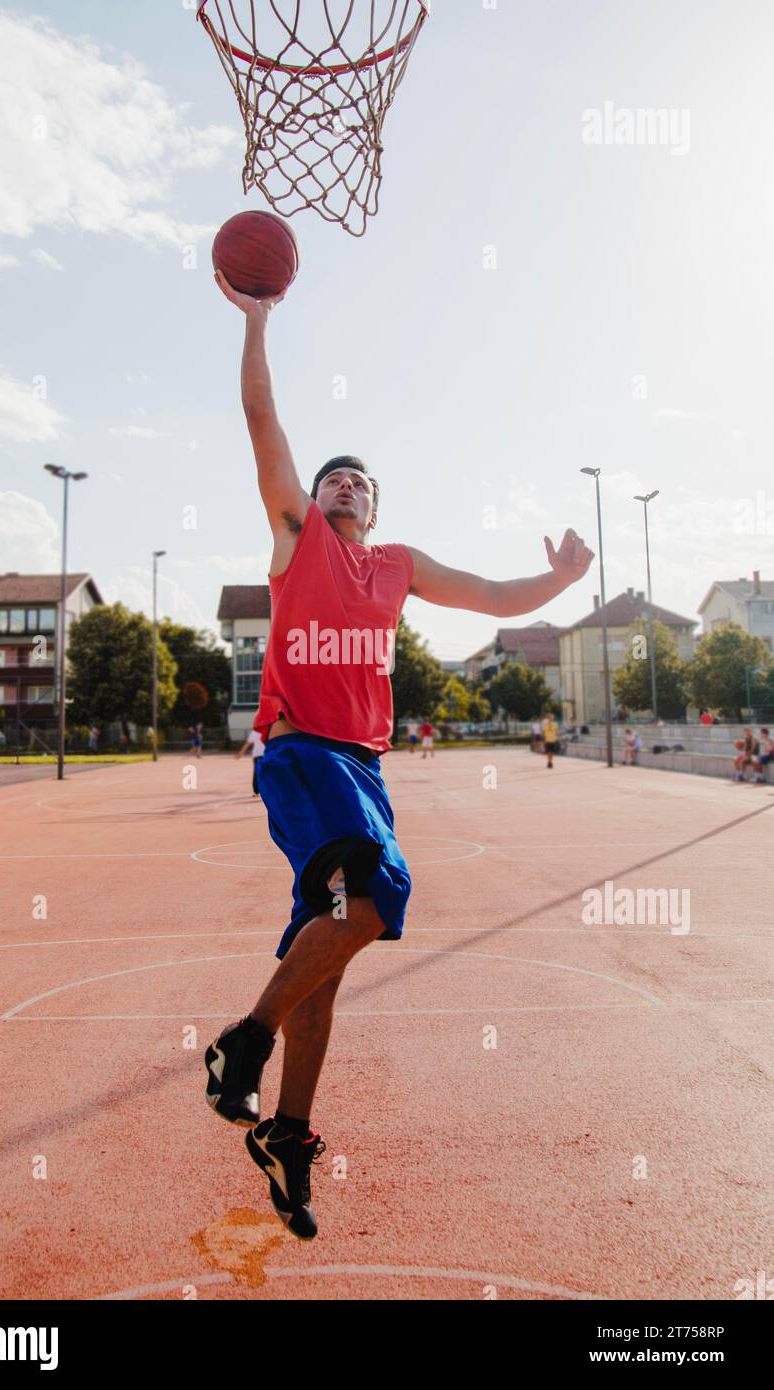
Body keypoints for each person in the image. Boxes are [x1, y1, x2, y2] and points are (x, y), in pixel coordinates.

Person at [203, 265, 595, 1240]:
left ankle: (288, 1134)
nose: (343, 483)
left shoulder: (398, 568)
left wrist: (556, 578)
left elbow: (496, 601)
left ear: (374, 507)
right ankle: (240, 1047)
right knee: (374, 896)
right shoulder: (297, 539)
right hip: (301, 754)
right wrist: (257, 322)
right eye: (334, 475)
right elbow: (262, 423)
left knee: (326, 961)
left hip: (365, 768)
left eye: (359, 480)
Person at [235, 725, 265, 797]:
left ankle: (257, 791)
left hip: (263, 754)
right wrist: (241, 753)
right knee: (257, 773)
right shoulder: (256, 732)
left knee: (259, 773)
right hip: (260, 754)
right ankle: (256, 791)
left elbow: (247, 744)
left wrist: (241, 753)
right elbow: (248, 743)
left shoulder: (257, 731)